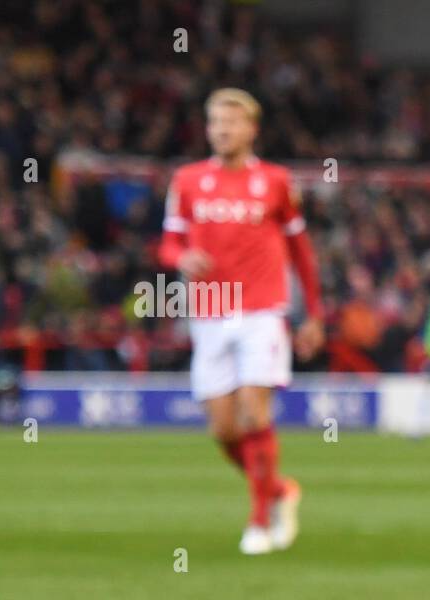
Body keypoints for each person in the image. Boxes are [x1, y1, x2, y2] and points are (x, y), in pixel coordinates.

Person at [158, 89, 324, 555]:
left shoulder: (275, 181)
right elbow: (167, 244)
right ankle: (279, 491)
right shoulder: (187, 180)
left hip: (262, 310)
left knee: (255, 413)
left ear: (251, 128)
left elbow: (301, 252)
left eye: (231, 123)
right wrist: (181, 256)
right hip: (209, 312)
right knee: (224, 431)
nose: (222, 130)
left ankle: (257, 522)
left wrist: (312, 312)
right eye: (214, 123)